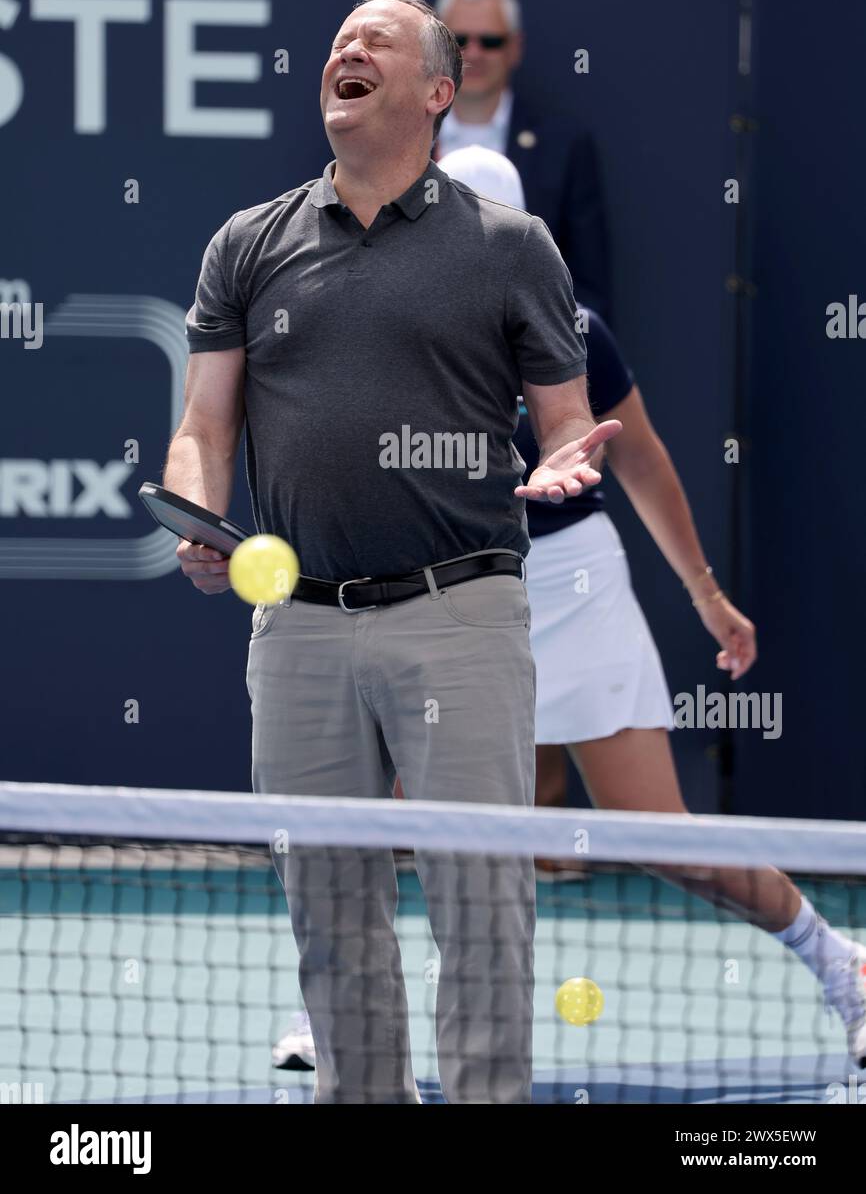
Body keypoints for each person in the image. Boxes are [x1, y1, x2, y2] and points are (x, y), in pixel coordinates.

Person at [273, 146, 866, 1077]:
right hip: (451, 592)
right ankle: (350, 1016)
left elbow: (643, 461)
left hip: (573, 589)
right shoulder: (389, 318)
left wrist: (706, 594)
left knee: (663, 842)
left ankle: (847, 971)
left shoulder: (573, 325)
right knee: (385, 821)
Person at [166, 0, 620, 1105]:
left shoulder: (512, 249)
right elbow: (201, 428)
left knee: (480, 905)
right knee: (330, 913)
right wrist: (200, 519)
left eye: (373, 43)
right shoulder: (247, 244)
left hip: (459, 613)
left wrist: (566, 457)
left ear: (435, 90)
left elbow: (564, 415)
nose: (345, 54)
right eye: (336, 44)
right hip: (299, 627)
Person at [434, 0, 610, 315]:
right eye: (458, 40)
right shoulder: (401, 135)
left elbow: (589, 284)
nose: (473, 53)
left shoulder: (565, 145)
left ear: (515, 48)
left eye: (490, 41)